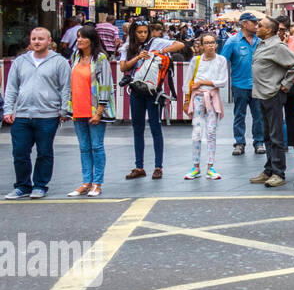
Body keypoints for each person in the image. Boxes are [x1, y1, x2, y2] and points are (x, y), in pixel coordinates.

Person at [4, 28, 71, 200]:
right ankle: (22, 186)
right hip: (22, 115)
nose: (36, 42)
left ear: (49, 41)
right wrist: (8, 109)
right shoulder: (20, 61)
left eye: (41, 39)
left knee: (44, 152)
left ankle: (40, 185)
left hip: (48, 116)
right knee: (19, 153)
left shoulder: (59, 62)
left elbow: (66, 88)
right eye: (34, 38)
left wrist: (64, 109)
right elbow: (11, 87)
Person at [120, 20, 185, 180]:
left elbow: (179, 45)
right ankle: (139, 166)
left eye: (145, 32)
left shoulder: (155, 41)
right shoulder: (128, 46)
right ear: (133, 33)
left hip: (154, 91)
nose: (142, 35)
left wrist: (160, 51)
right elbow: (123, 67)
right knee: (137, 129)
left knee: (156, 127)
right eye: (139, 32)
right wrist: (137, 58)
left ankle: (158, 166)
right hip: (136, 90)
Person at [248, 18, 294, 189]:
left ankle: (279, 172)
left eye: (260, 26)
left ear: (269, 30)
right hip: (262, 94)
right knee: (267, 134)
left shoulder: (277, 46)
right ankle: (269, 169)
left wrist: (286, 84)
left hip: (273, 94)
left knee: (276, 134)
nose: (257, 27)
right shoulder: (262, 44)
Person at [66, 25, 114, 197]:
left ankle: (97, 183)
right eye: (78, 37)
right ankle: (86, 182)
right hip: (78, 109)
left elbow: (106, 85)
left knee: (96, 146)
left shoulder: (100, 58)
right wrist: (67, 107)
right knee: (84, 148)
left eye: (83, 37)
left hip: (94, 109)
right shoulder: (75, 56)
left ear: (92, 40)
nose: (79, 40)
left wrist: (99, 111)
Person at [184, 33, 229, 181]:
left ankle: (210, 166)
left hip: (212, 98)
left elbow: (222, 81)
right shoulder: (195, 61)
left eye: (212, 42)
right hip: (197, 98)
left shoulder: (221, 60)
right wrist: (186, 100)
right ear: (201, 46)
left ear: (216, 44)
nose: (210, 45)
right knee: (197, 132)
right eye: (207, 43)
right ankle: (195, 166)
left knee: (211, 132)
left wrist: (205, 83)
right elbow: (188, 81)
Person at [220, 13, 265, 155]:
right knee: (239, 114)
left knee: (258, 116)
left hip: (258, 85)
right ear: (244, 24)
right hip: (239, 85)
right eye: (253, 22)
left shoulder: (260, 41)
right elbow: (222, 62)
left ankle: (259, 142)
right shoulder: (232, 42)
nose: (256, 25)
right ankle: (239, 143)